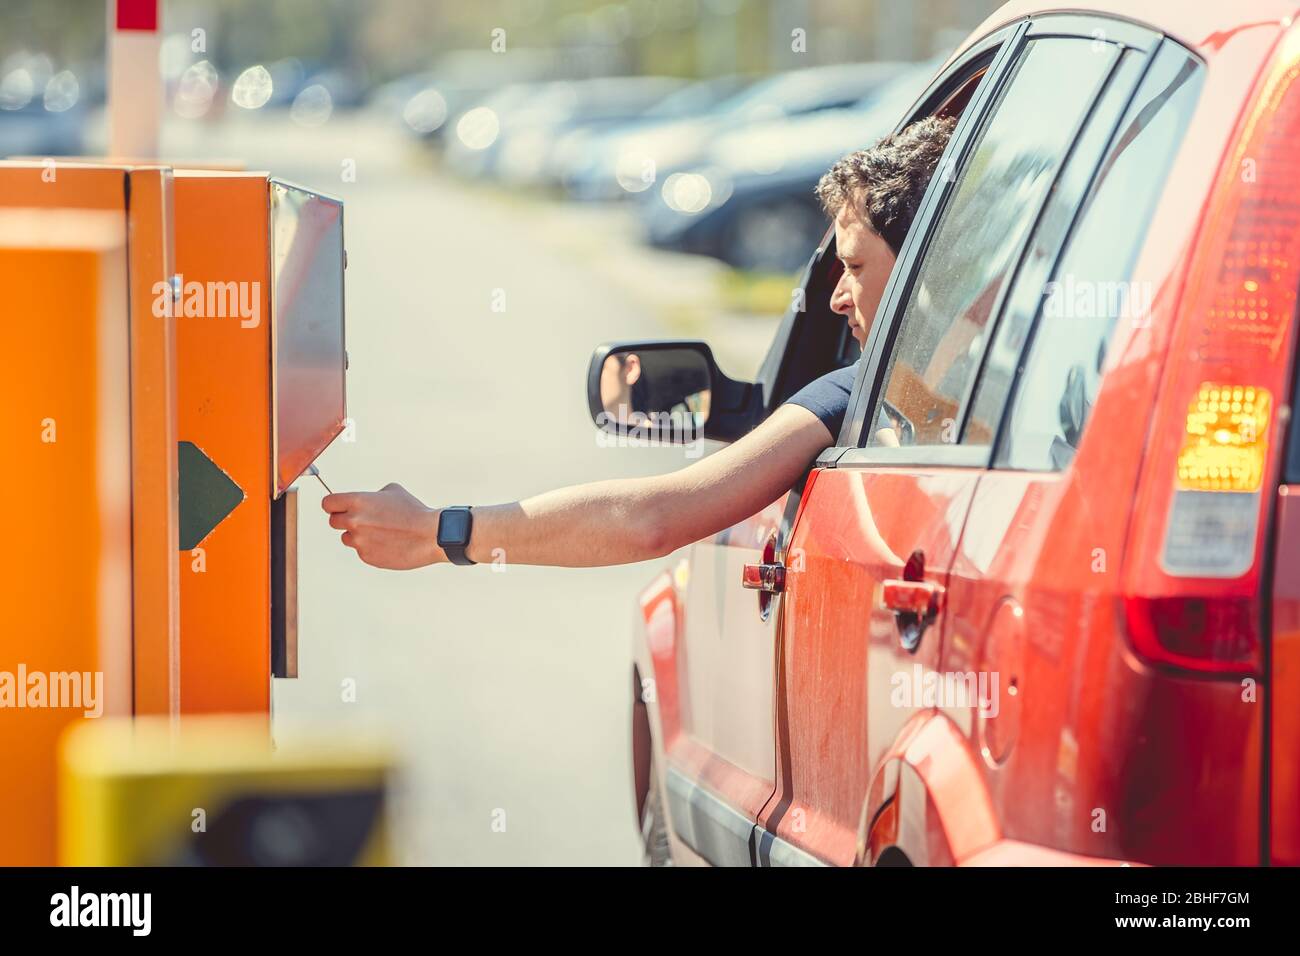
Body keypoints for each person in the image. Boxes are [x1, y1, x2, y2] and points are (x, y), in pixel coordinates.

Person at [322, 116, 956, 570]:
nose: (838, 298)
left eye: (855, 267)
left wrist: (439, 531)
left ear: (930, 271)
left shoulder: (864, 395)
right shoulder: (1030, 393)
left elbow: (653, 519)